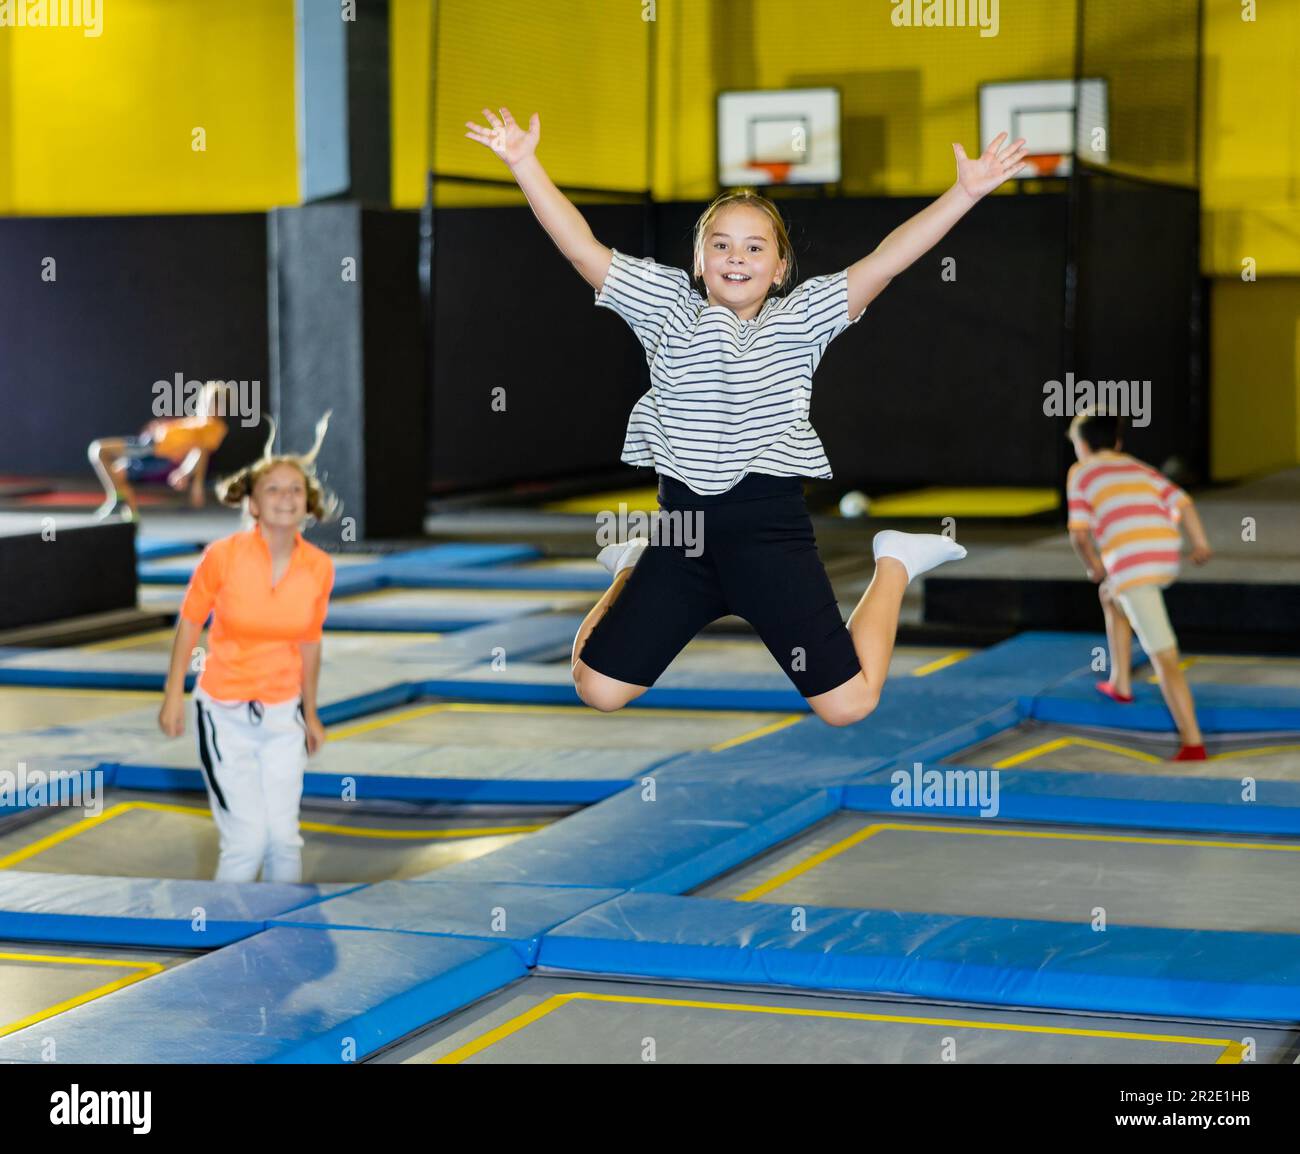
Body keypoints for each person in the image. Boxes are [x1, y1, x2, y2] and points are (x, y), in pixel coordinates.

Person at [466, 106, 1027, 726]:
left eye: (755, 247)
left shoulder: (805, 316)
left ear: (781, 267)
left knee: (850, 703)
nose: (738, 257)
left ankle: (893, 561)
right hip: (683, 534)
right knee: (596, 688)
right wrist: (523, 163)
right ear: (700, 261)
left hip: (771, 537)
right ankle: (631, 565)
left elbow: (888, 259)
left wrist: (965, 192)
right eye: (721, 244)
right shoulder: (665, 306)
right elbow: (580, 247)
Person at [157, 414, 337, 881]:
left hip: (283, 717)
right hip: (226, 714)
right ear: (253, 503)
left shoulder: (318, 567)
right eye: (273, 490)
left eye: (295, 490)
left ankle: (285, 944)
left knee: (284, 839)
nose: (286, 498)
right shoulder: (223, 556)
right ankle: (221, 945)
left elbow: (309, 642)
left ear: (308, 503)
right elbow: (190, 623)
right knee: (247, 840)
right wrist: (173, 694)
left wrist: (311, 712)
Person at [1066, 409, 1213, 760]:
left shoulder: (1081, 472)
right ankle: (1120, 683)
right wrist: (1200, 543)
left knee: (1164, 655)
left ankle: (1192, 742)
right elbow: (1183, 502)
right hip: (1165, 553)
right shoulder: (1139, 467)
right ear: (1117, 443)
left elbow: (1080, 534)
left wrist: (1093, 566)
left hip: (1133, 563)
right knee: (1110, 595)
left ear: (1082, 446)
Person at [88, 380, 229, 521]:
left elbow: (201, 452)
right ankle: (130, 516)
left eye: (213, 403)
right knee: (117, 474)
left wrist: (190, 477)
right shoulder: (199, 420)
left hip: (153, 448)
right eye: (206, 401)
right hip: (153, 449)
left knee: (99, 450)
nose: (207, 406)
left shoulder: (213, 427)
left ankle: (118, 500)